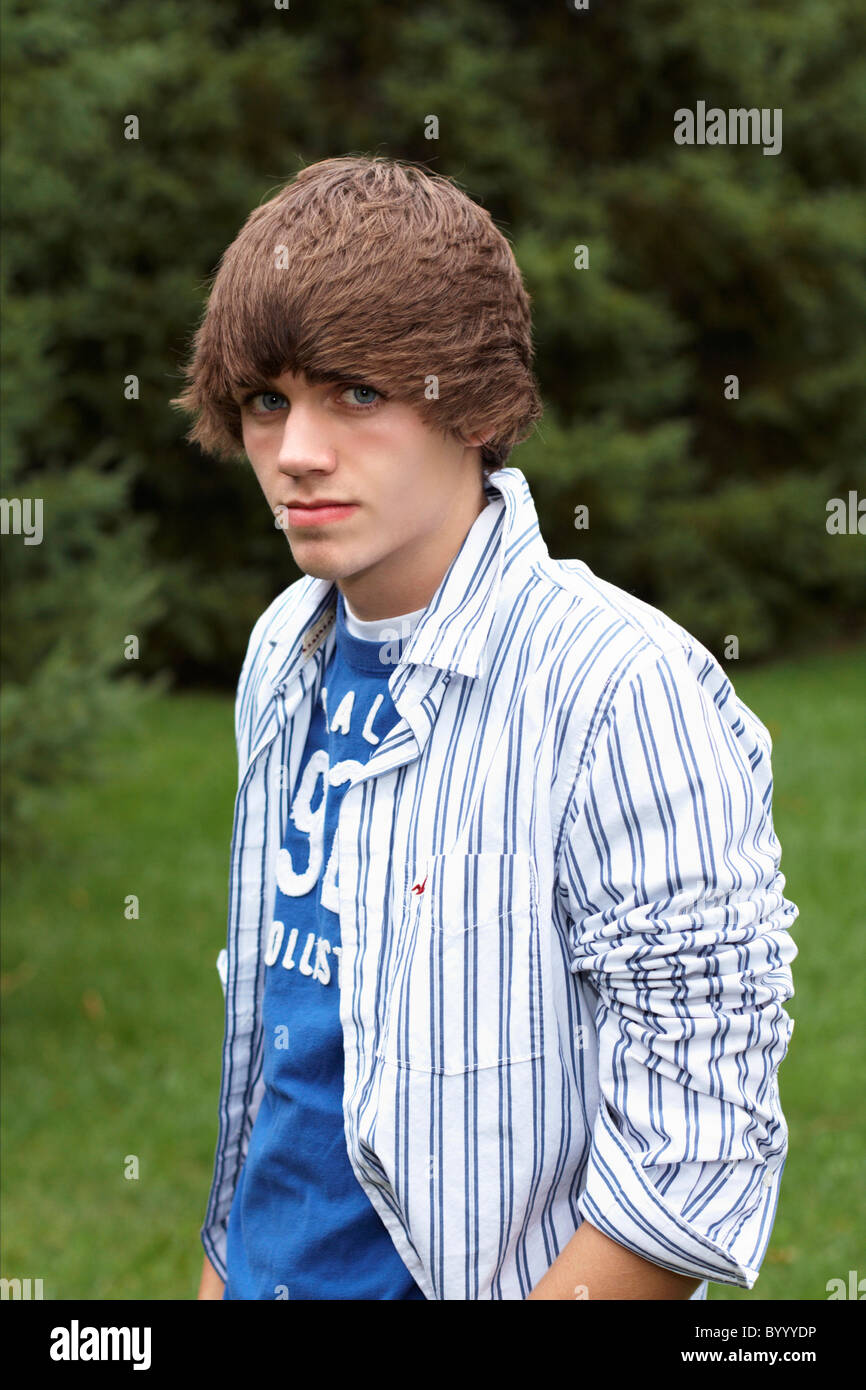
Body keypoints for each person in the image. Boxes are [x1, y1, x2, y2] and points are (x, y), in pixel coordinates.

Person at [172, 155, 798, 1301]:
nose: (297, 450)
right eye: (267, 400)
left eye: (353, 392)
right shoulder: (284, 651)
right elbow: (286, 1048)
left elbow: (694, 1140)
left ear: (472, 397)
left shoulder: (618, 687)